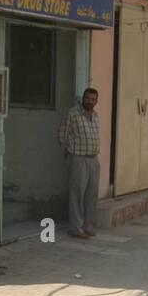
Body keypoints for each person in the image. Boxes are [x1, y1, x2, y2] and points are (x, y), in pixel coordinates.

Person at [57, 87, 101, 238]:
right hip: (78, 158)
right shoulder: (73, 113)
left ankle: (88, 226)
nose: (90, 101)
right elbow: (63, 133)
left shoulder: (95, 116)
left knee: (91, 195)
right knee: (77, 194)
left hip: (93, 160)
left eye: (93, 99)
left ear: (96, 101)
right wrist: (67, 150)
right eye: (88, 98)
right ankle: (76, 228)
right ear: (83, 98)